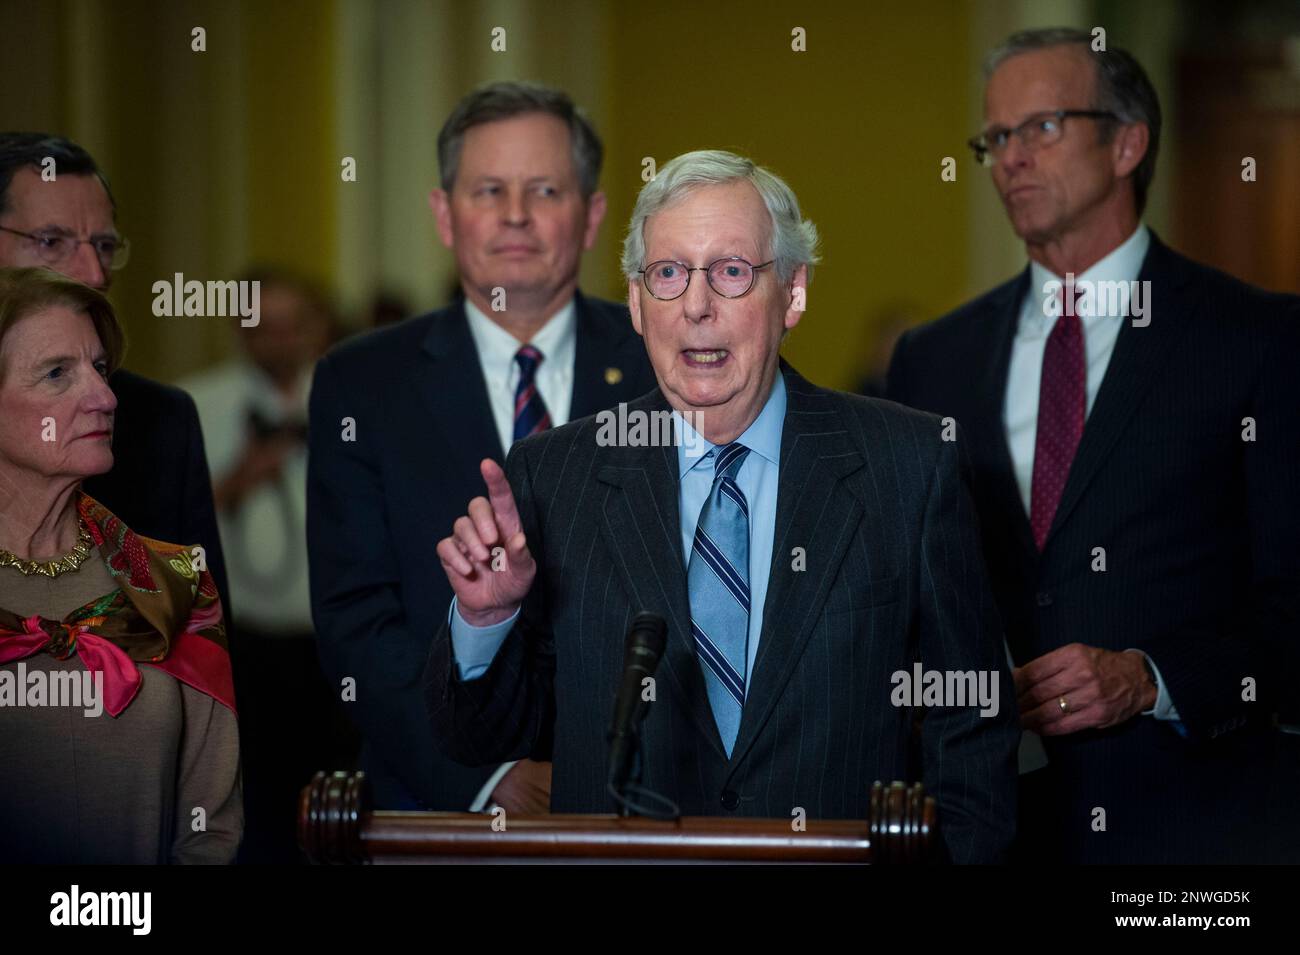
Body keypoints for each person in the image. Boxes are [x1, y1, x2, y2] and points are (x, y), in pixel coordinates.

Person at [426, 150, 1019, 864]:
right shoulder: (556, 476)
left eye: (733, 271)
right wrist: (487, 621)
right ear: (639, 304)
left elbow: (973, 727)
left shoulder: (909, 464)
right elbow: (479, 740)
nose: (698, 305)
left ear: (793, 293)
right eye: (669, 274)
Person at [886, 28, 1300, 863]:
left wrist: (1151, 677)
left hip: (1197, 827)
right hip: (989, 828)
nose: (1010, 158)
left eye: (1041, 127)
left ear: (1128, 143)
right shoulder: (934, 359)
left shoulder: (1258, 338)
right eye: (995, 138)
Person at [309, 81, 656, 812]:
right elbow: (357, 623)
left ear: (592, 215)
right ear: (444, 213)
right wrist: (487, 779)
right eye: (488, 189)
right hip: (433, 803)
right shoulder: (361, 382)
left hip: (639, 797)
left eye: (545, 189)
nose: (516, 216)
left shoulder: (667, 361)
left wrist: (603, 771)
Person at [0, 267, 240, 863]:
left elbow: (211, 831)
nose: (105, 397)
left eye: (100, 369)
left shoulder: (174, 583)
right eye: (58, 373)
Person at [0, 133, 230, 618]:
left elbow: (203, 637)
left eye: (104, 245)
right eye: (51, 241)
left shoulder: (161, 420)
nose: (94, 272)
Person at [182, 267, 353, 862]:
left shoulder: (349, 397)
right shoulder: (197, 404)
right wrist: (237, 479)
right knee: (249, 796)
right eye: (264, 326)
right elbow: (163, 533)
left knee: (337, 798)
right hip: (239, 643)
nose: (278, 339)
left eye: (292, 326)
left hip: (331, 642)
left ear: (317, 327)